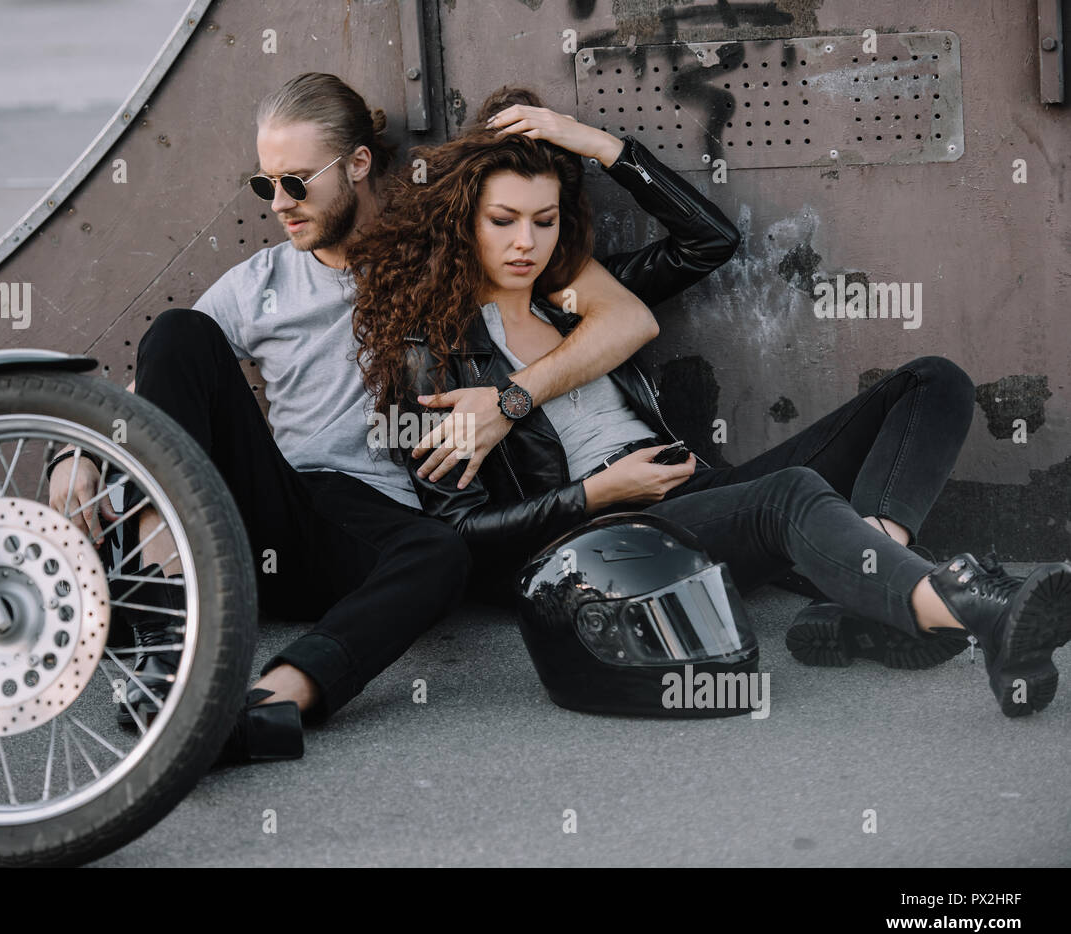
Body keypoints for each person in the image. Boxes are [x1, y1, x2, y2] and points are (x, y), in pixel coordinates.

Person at [349, 88, 1071, 718]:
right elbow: (461, 537)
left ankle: (868, 584)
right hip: (617, 532)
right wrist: (593, 492)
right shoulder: (432, 350)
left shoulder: (578, 301)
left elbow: (710, 241)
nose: (526, 242)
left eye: (544, 220)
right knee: (791, 494)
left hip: (697, 489)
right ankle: (978, 614)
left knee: (931, 381)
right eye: (503, 220)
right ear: (462, 221)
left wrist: (598, 145)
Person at [49, 73, 674, 760]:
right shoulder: (262, 282)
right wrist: (80, 450)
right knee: (177, 331)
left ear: (357, 163)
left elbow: (624, 319)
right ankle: (172, 634)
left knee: (443, 554)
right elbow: (167, 373)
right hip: (270, 508)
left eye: (296, 182)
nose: (280, 205)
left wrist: (510, 396)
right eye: (266, 186)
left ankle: (268, 702)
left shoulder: (450, 249)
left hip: (370, 527)